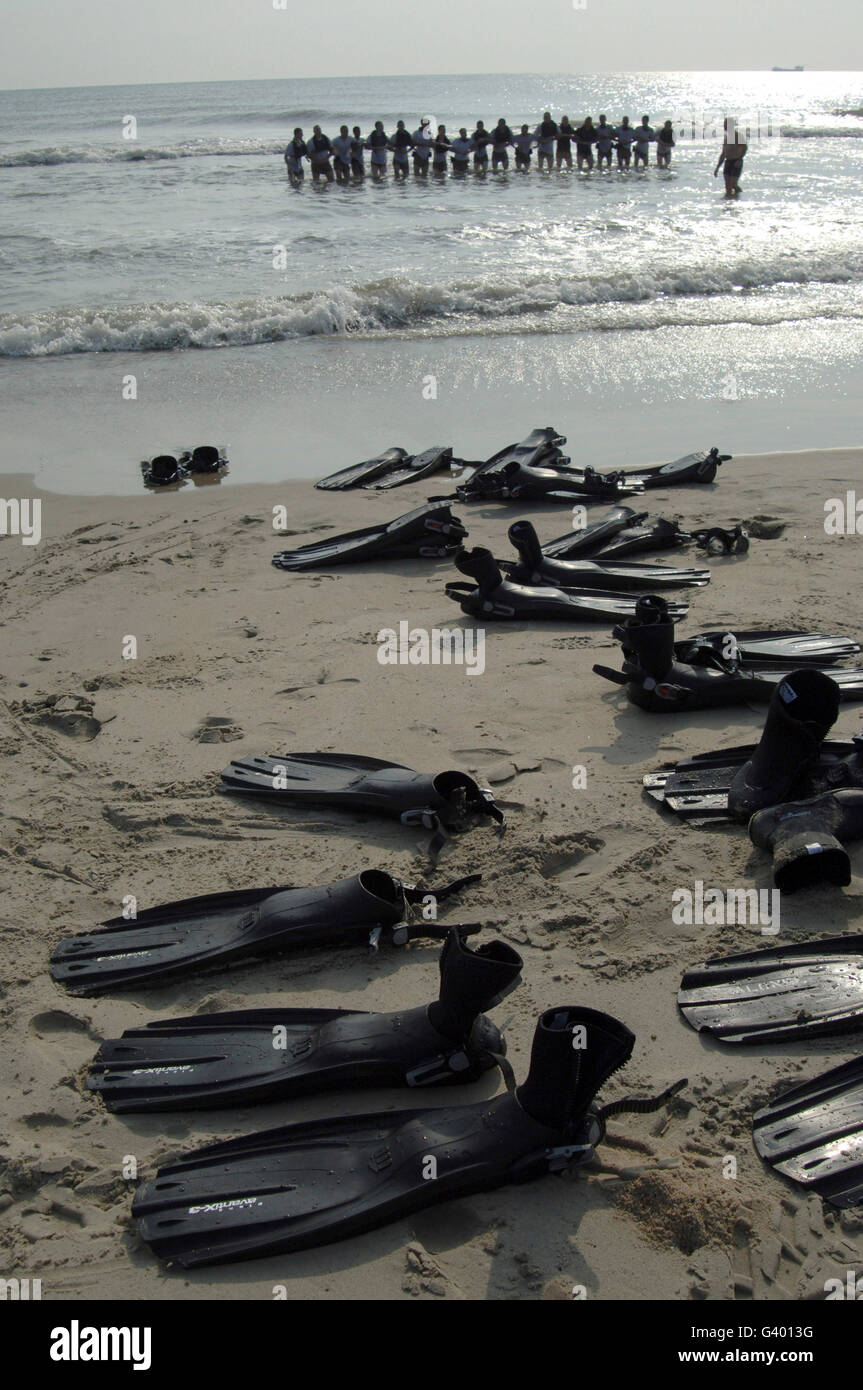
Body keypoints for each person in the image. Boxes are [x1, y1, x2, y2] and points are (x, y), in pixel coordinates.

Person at [714, 115, 747, 197]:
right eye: (724, 124)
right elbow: (723, 153)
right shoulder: (726, 137)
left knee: (733, 185)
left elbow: (744, 148)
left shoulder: (737, 136)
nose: (723, 126)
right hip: (728, 161)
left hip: (736, 161)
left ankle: (739, 197)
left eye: (725, 124)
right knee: (728, 187)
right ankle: (730, 200)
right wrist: (717, 167)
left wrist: (739, 159)